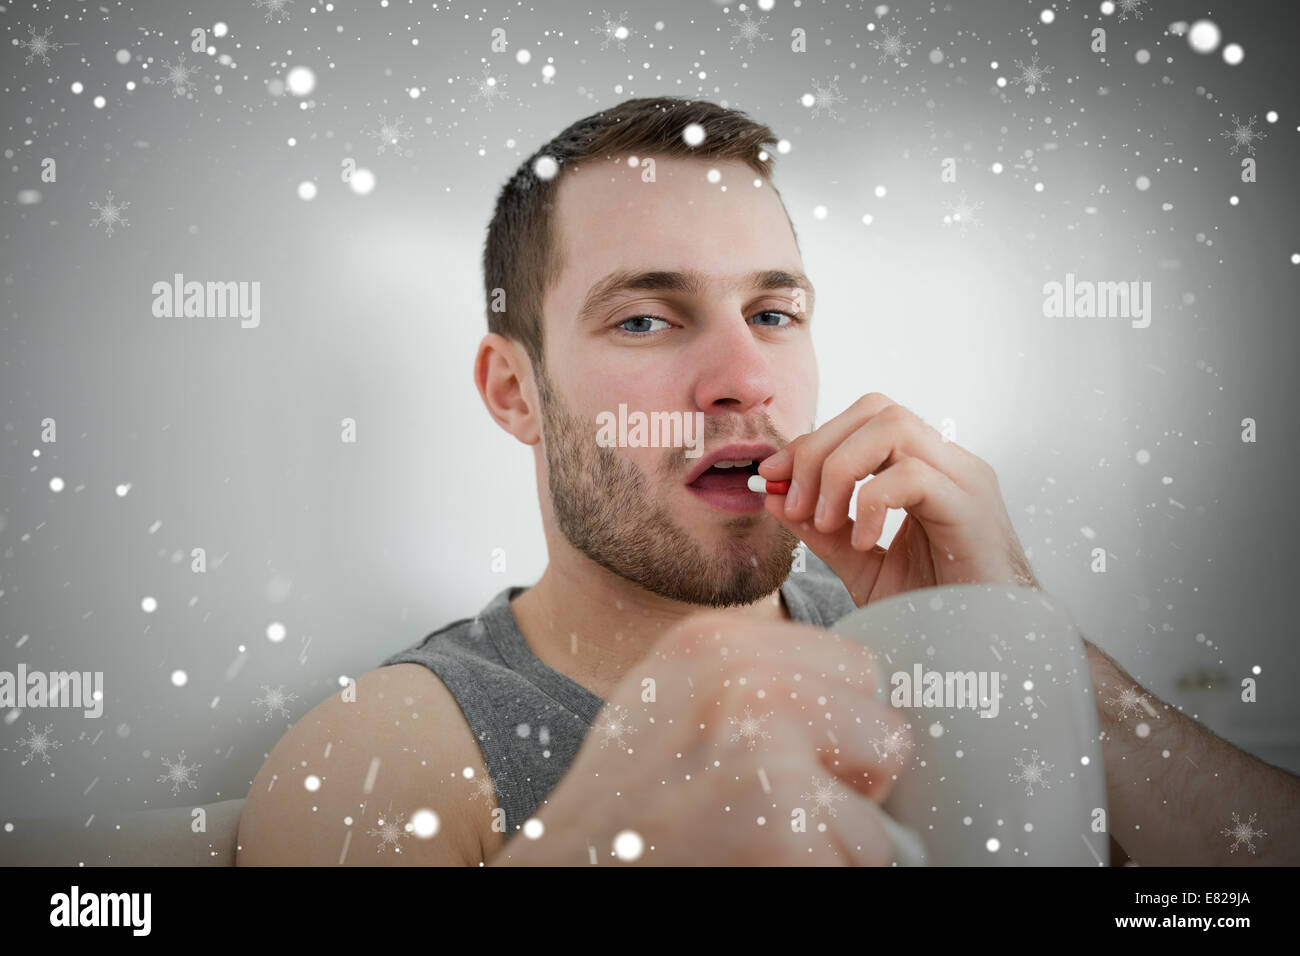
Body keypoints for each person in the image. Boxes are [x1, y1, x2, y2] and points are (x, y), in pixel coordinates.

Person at [236, 97, 1299, 866]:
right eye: (645, 317)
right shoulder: (391, 752)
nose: (744, 379)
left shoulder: (927, 649)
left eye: (773, 314)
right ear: (514, 391)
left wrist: (1031, 642)